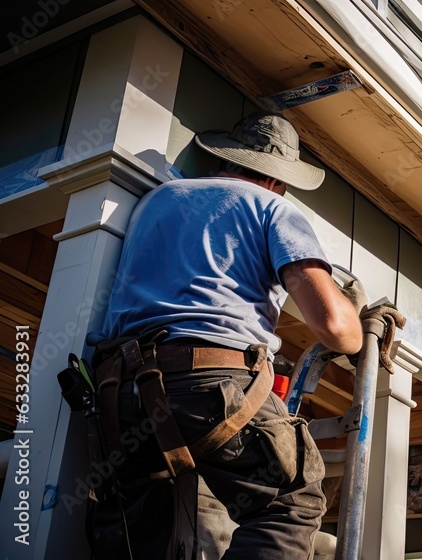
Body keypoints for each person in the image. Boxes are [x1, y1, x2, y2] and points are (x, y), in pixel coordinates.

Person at [90, 112, 363, 559]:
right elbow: (336, 329)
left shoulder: (156, 200)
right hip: (209, 386)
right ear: (280, 182)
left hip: (121, 394)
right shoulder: (274, 209)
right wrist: (353, 313)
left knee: (150, 535)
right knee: (292, 500)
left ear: (225, 160)